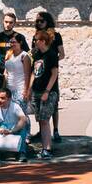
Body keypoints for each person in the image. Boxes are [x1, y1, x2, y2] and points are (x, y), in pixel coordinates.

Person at [30, 30, 59, 159]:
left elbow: (54, 74)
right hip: (36, 90)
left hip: (48, 92)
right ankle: (44, 148)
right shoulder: (37, 54)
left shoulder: (51, 55)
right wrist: (29, 88)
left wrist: (47, 91)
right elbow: (33, 73)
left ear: (42, 41)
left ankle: (47, 149)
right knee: (41, 120)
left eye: (36, 40)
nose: (34, 42)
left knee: (45, 120)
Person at [0, 88, 29, 160]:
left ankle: (21, 153)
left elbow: (23, 119)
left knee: (23, 127)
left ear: (9, 99)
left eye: (2, 98)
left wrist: (12, 130)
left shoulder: (15, 106)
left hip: (13, 130)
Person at [3, 32, 32, 112]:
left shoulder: (24, 56)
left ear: (20, 43)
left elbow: (27, 75)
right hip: (9, 90)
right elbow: (6, 73)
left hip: (20, 90)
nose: (12, 44)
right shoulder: (8, 54)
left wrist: (26, 91)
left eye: (14, 42)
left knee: (20, 114)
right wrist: (4, 88)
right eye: (10, 42)